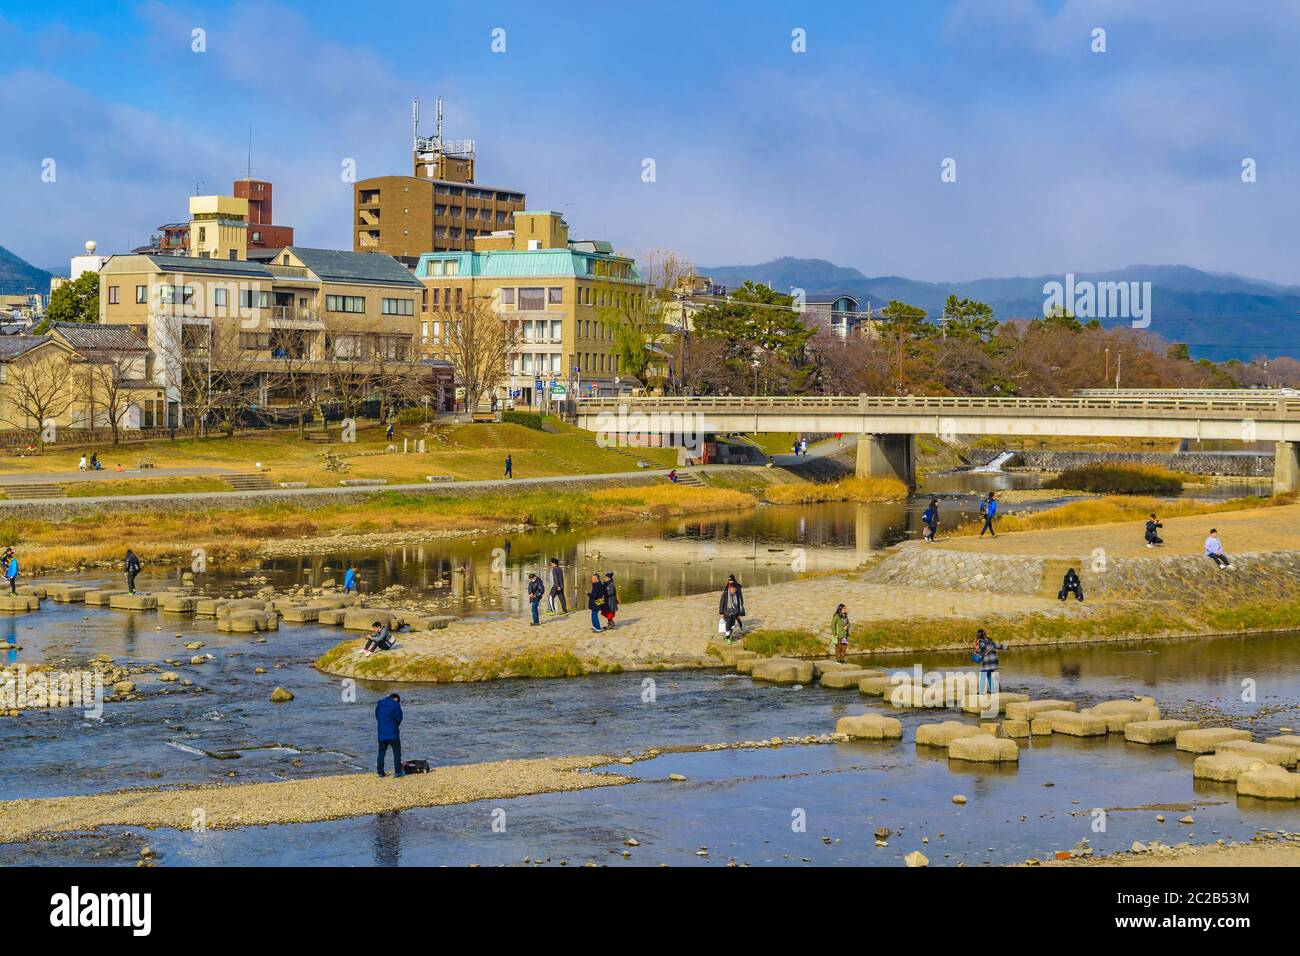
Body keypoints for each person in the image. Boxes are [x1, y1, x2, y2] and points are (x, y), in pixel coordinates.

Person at [375, 693, 404, 778]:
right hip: (393, 733)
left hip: (382, 733)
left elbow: (377, 717)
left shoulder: (380, 704)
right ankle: (398, 772)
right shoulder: (396, 705)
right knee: (397, 753)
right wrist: (395, 725)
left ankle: (380, 772)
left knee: (381, 753)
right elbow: (400, 717)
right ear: (396, 699)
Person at [973, 628, 1006, 695]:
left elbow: (981, 648)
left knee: (983, 675)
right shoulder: (990, 641)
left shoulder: (980, 641)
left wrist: (976, 650)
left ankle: (981, 692)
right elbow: (998, 646)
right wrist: (1006, 647)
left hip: (988, 660)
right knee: (989, 674)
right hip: (994, 660)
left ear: (978, 635)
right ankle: (992, 690)